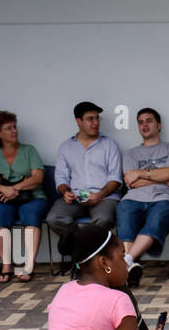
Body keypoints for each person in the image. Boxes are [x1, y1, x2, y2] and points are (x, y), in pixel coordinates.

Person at [117, 107, 169, 288]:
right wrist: (162, 178)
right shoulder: (130, 154)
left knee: (159, 214)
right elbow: (131, 183)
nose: (144, 125)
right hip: (133, 198)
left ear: (159, 125)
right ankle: (130, 266)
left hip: (163, 199)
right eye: (140, 122)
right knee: (123, 208)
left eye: (149, 121)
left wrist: (140, 174)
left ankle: (126, 261)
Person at [0, 110, 47, 283]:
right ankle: (6, 265)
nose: (14, 131)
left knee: (31, 215)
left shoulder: (29, 150)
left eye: (14, 127)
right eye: (8, 128)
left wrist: (15, 188)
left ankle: (28, 265)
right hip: (2, 198)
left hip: (31, 196)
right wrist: (4, 189)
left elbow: (38, 178)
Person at [46, 101, 122, 246]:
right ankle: (86, 249)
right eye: (90, 119)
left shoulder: (109, 144)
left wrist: (100, 194)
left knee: (104, 219)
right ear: (78, 121)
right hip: (76, 196)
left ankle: (81, 252)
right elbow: (61, 177)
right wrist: (65, 192)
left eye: (97, 118)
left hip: (104, 197)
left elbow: (115, 178)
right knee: (54, 218)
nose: (95, 123)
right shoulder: (65, 147)